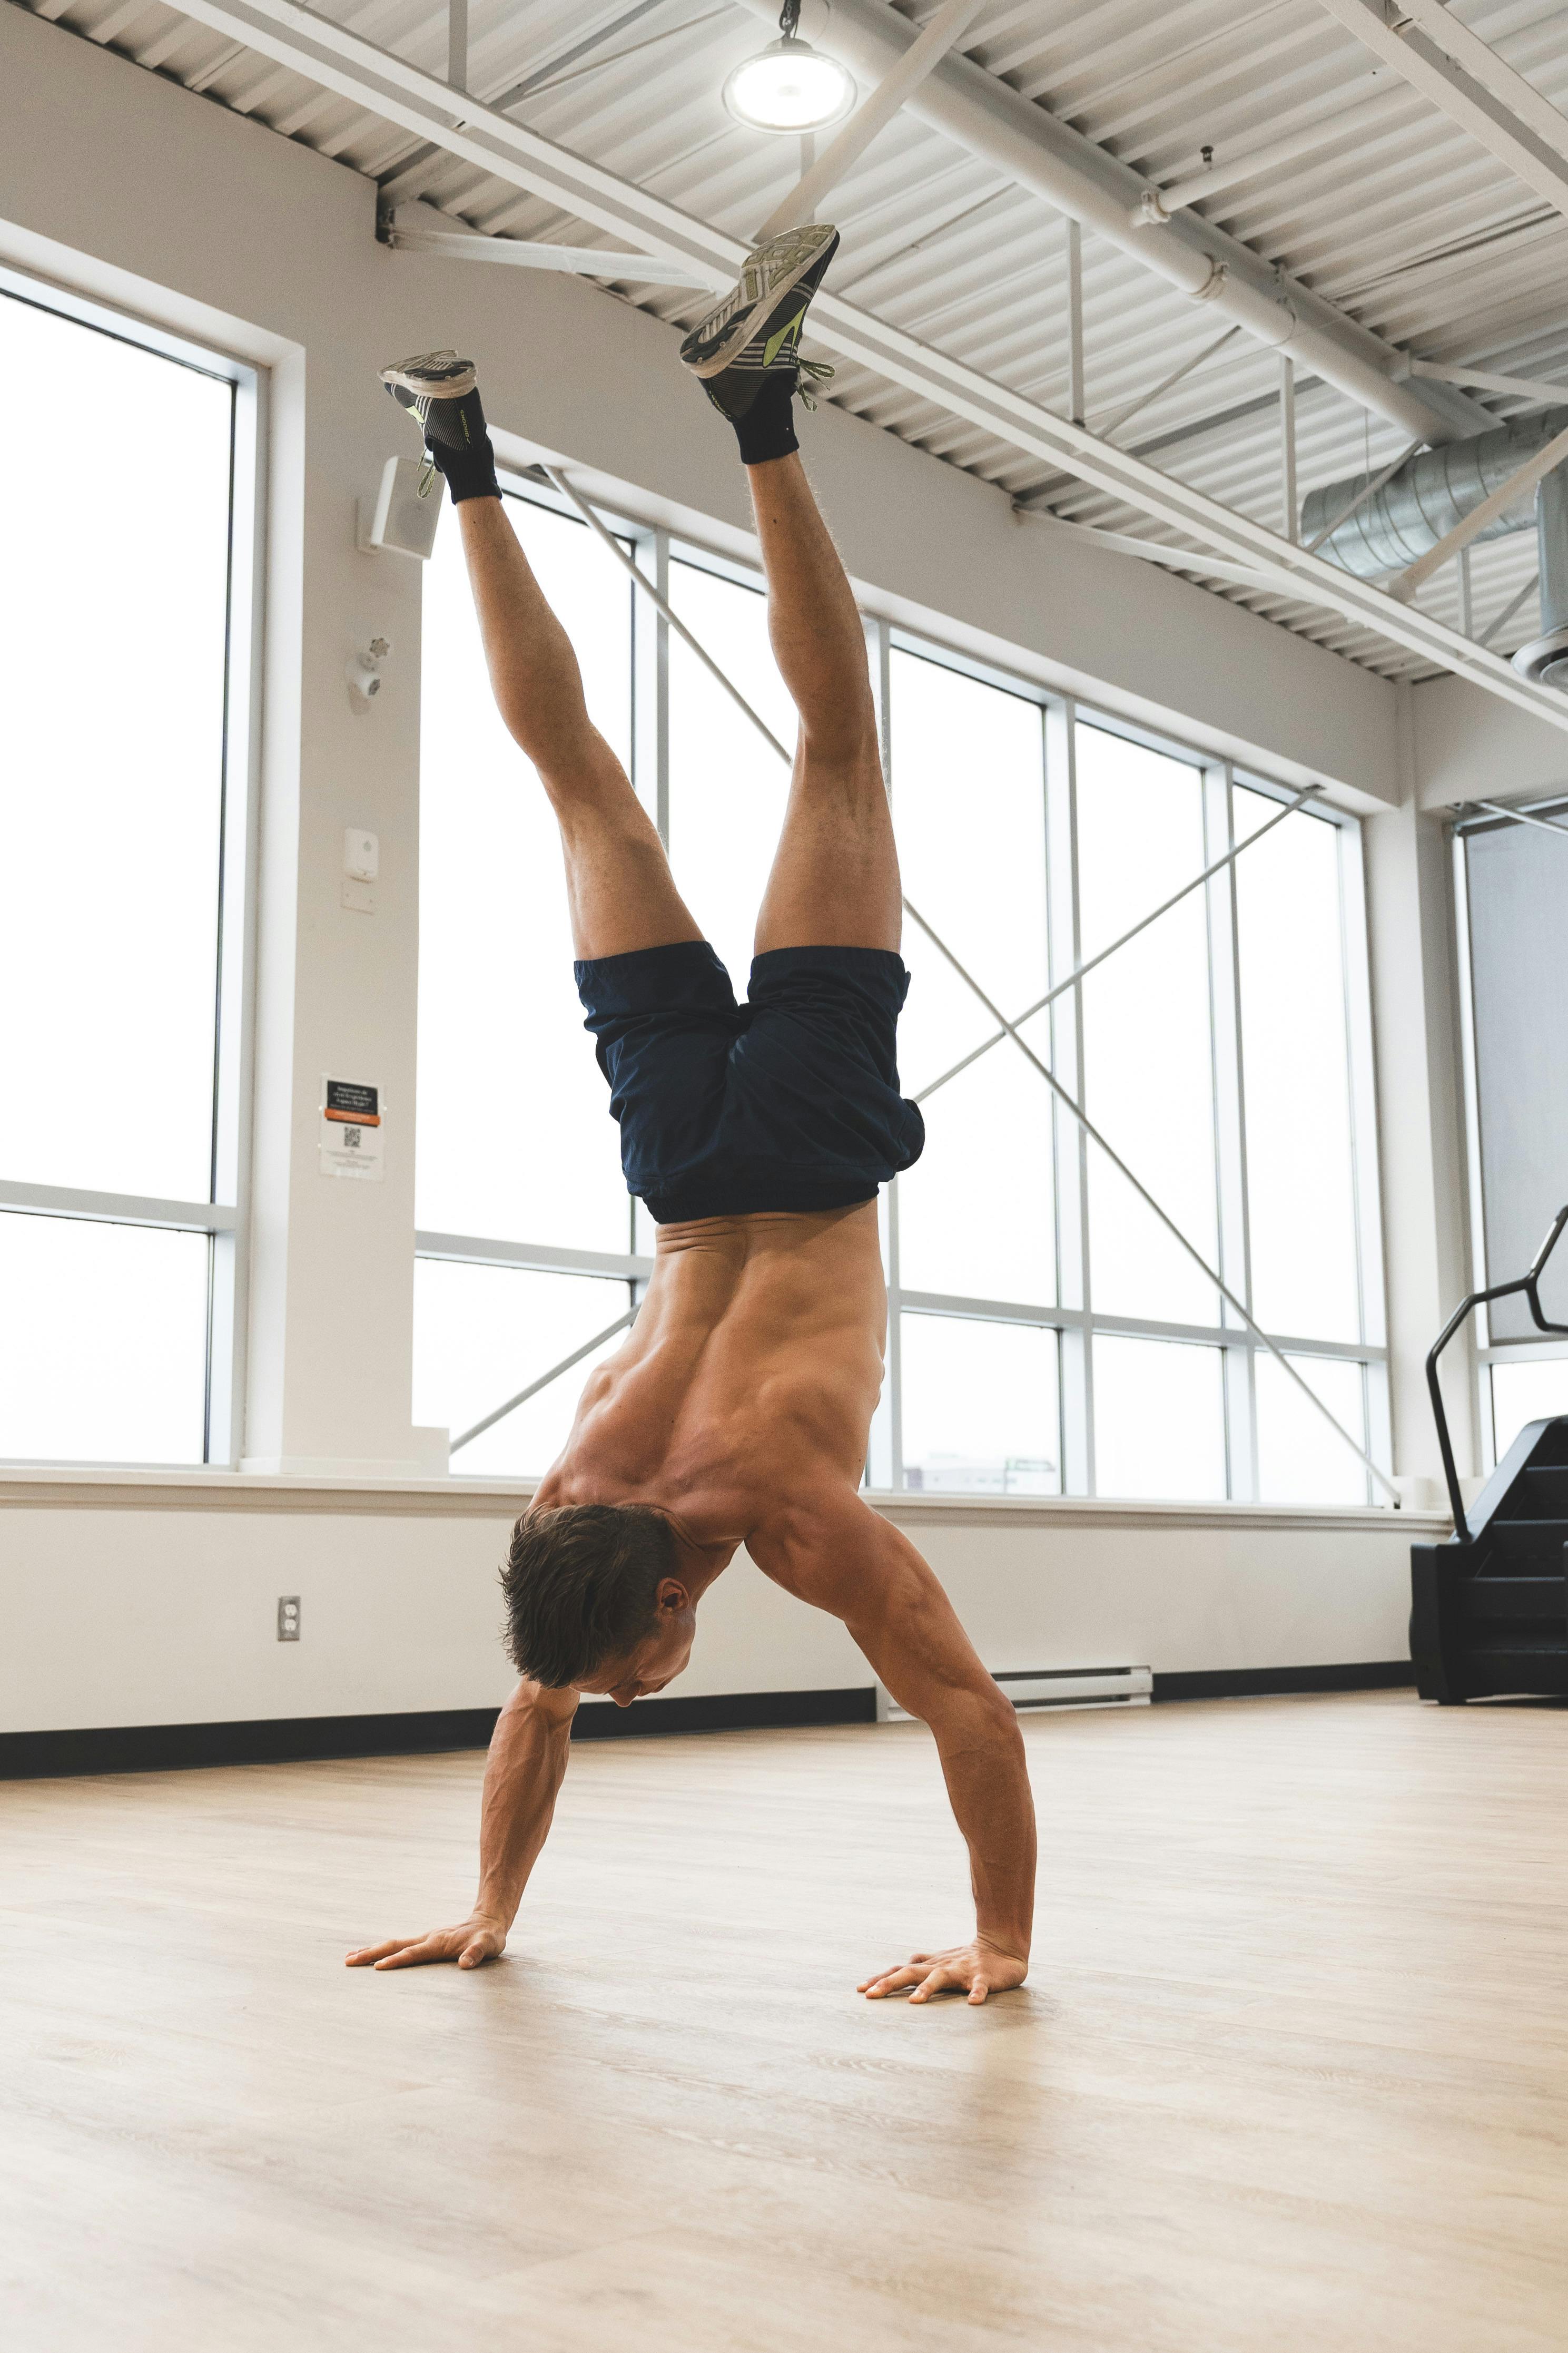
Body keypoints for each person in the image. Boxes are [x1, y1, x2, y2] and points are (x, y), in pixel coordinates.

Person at [348, 227, 1037, 2006]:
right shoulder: (567, 1507)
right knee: (578, 786)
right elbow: (540, 1698)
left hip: (802, 1149)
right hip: (673, 1163)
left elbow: (965, 1702)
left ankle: (758, 404)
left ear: (661, 1601)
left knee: (835, 756)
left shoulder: (783, 1513)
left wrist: (1002, 1943)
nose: (643, 1678)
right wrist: (488, 1910)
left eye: (640, 1669)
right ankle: (459, 444)